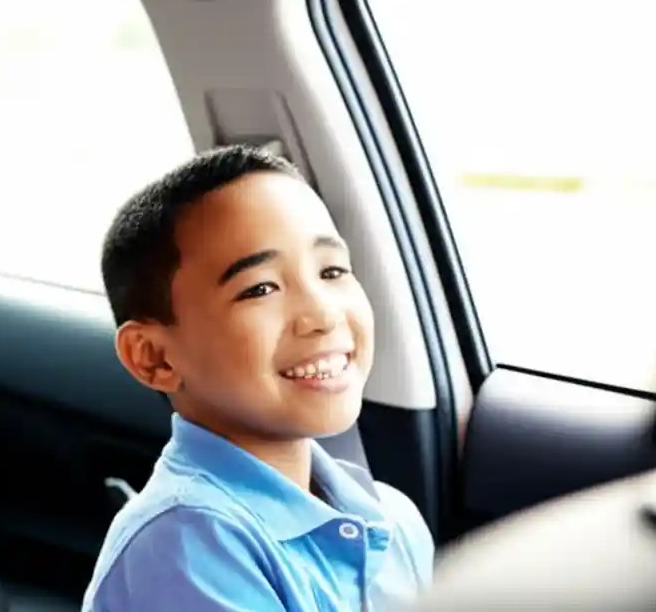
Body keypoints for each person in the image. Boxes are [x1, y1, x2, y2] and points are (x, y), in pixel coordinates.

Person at [83, 145, 434, 611]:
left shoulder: (392, 520)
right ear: (154, 358)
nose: (322, 315)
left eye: (332, 271)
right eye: (260, 289)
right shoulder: (185, 545)